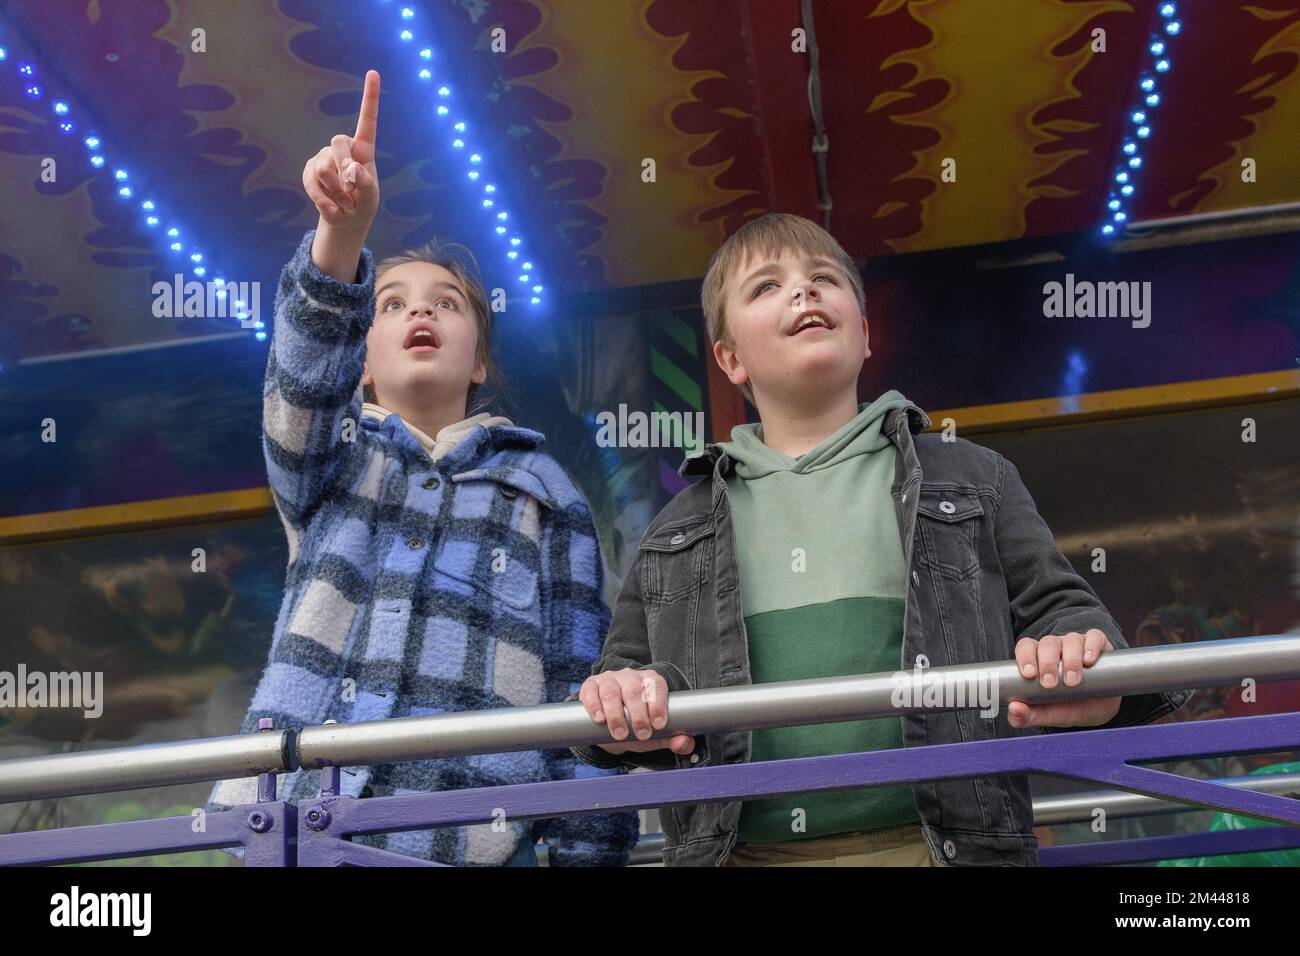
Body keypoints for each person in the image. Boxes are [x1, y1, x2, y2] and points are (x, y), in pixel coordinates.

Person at [570, 212, 1191, 867]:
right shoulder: (678, 527)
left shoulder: (973, 476)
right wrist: (620, 705)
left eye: (823, 279)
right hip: (743, 854)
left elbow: (1064, 609)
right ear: (729, 359)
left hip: (942, 850)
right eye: (765, 287)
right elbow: (625, 687)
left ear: (865, 334)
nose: (804, 293)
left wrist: (1082, 657)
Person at [207, 70, 637, 866]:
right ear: (360, 359)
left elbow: (580, 680)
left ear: (481, 363)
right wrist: (342, 236)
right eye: (393, 304)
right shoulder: (330, 462)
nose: (419, 313)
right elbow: (300, 385)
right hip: (291, 832)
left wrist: (586, 851)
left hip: (461, 845)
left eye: (447, 302)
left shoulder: (545, 494)